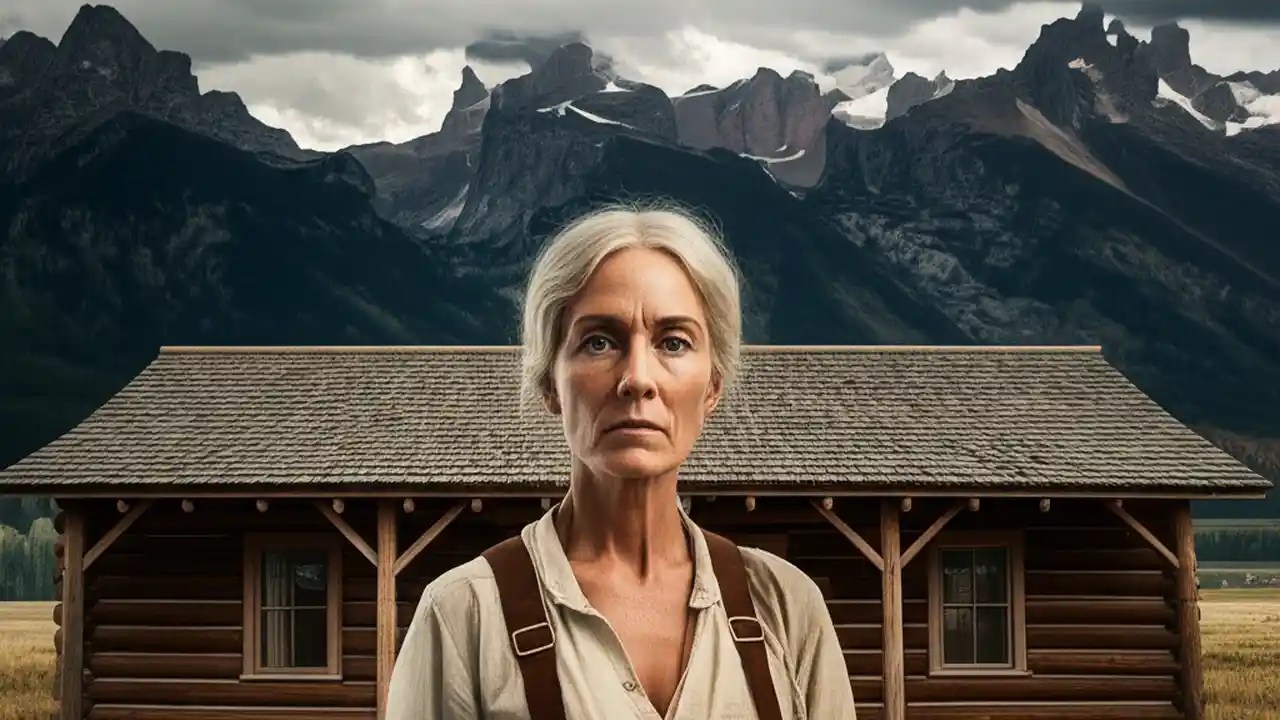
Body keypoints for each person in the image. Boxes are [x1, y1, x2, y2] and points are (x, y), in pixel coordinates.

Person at [386, 201, 856, 719]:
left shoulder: (786, 608)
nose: (638, 378)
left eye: (673, 342)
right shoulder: (463, 616)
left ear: (713, 386)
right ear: (550, 383)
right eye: (599, 341)